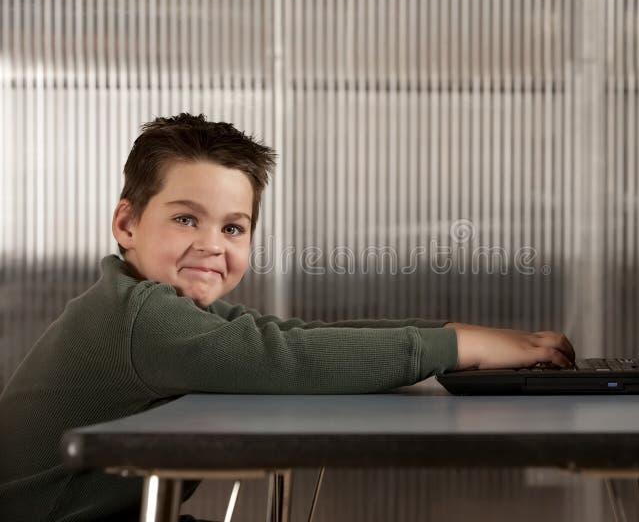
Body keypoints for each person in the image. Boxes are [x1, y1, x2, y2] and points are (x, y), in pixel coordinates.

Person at [0, 113, 575, 521]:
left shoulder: (153, 306)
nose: (212, 245)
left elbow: (289, 335)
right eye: (185, 219)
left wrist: (449, 336)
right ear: (127, 224)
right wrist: (455, 347)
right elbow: (280, 357)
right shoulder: (141, 317)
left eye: (233, 227)